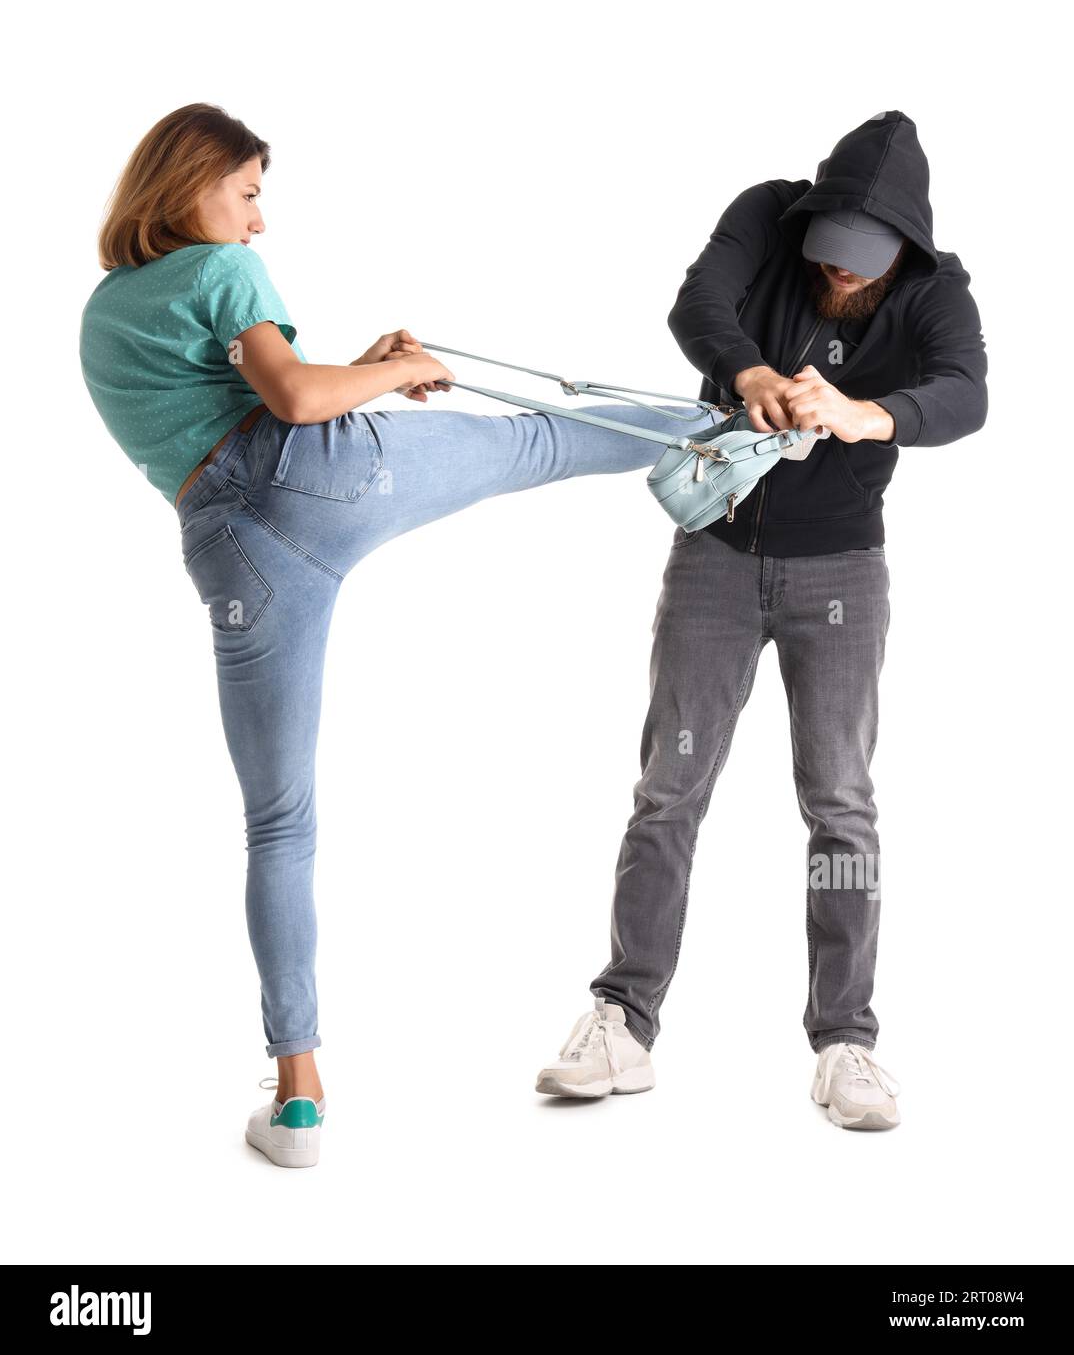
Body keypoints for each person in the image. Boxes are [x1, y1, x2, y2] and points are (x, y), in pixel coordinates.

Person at [79, 102, 701, 1167]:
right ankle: (748, 426)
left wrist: (355, 369)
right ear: (190, 181)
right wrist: (395, 374)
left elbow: (256, 393)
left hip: (233, 557)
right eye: (249, 189)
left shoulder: (104, 310)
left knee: (279, 824)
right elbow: (295, 397)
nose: (258, 218)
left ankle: (301, 1098)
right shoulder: (216, 270)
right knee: (540, 441)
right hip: (318, 477)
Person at [535, 111, 988, 1130]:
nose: (838, 279)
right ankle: (623, 1017)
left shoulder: (935, 289)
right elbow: (699, 302)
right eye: (828, 258)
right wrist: (749, 374)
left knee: (841, 805)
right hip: (717, 560)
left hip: (842, 576)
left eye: (859, 267)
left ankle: (846, 1043)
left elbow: (966, 395)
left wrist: (872, 415)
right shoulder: (768, 214)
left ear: (905, 250)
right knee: (668, 790)